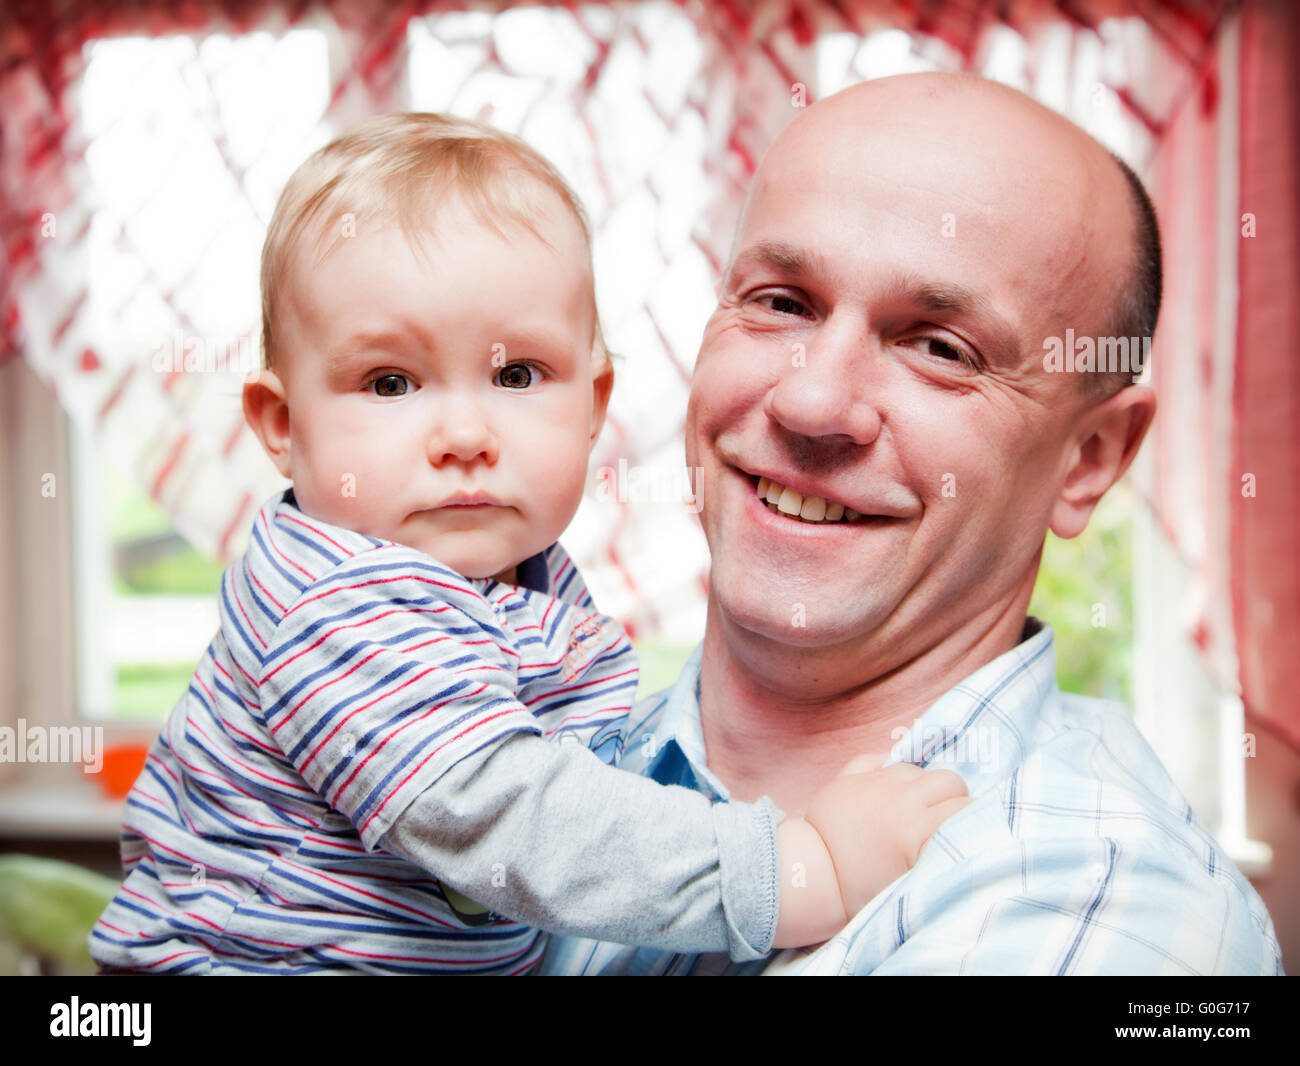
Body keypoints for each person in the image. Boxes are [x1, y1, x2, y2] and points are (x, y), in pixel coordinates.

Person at [87, 113, 970, 975]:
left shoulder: (516, 584)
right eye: (390, 382)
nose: (465, 432)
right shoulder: (338, 603)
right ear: (283, 424)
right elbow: (522, 826)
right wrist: (803, 865)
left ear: (592, 405)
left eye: (516, 375)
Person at [543, 72, 1284, 975]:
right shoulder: (521, 749)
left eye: (940, 348)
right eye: (782, 301)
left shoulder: (1102, 912)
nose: (813, 400)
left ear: (1089, 458)